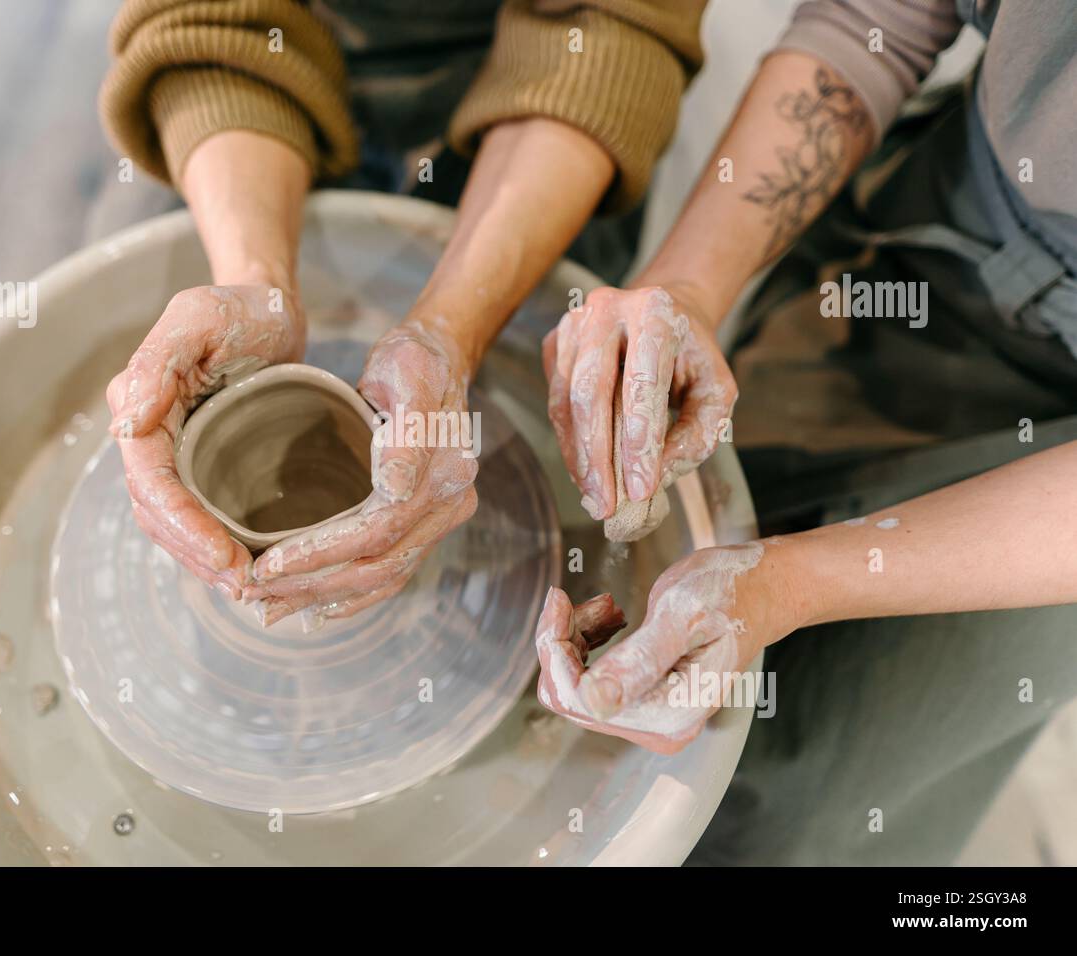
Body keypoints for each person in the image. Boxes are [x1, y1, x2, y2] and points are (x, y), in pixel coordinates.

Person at [536, 0, 1077, 864]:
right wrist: (685, 291)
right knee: (726, 508)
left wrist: (784, 587)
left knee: (797, 775)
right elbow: (881, 19)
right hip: (962, 209)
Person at [98, 0, 707, 624]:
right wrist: (255, 284)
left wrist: (447, 336)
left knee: (557, 359)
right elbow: (208, 22)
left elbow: (611, 34)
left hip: (542, 108)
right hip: (263, 87)